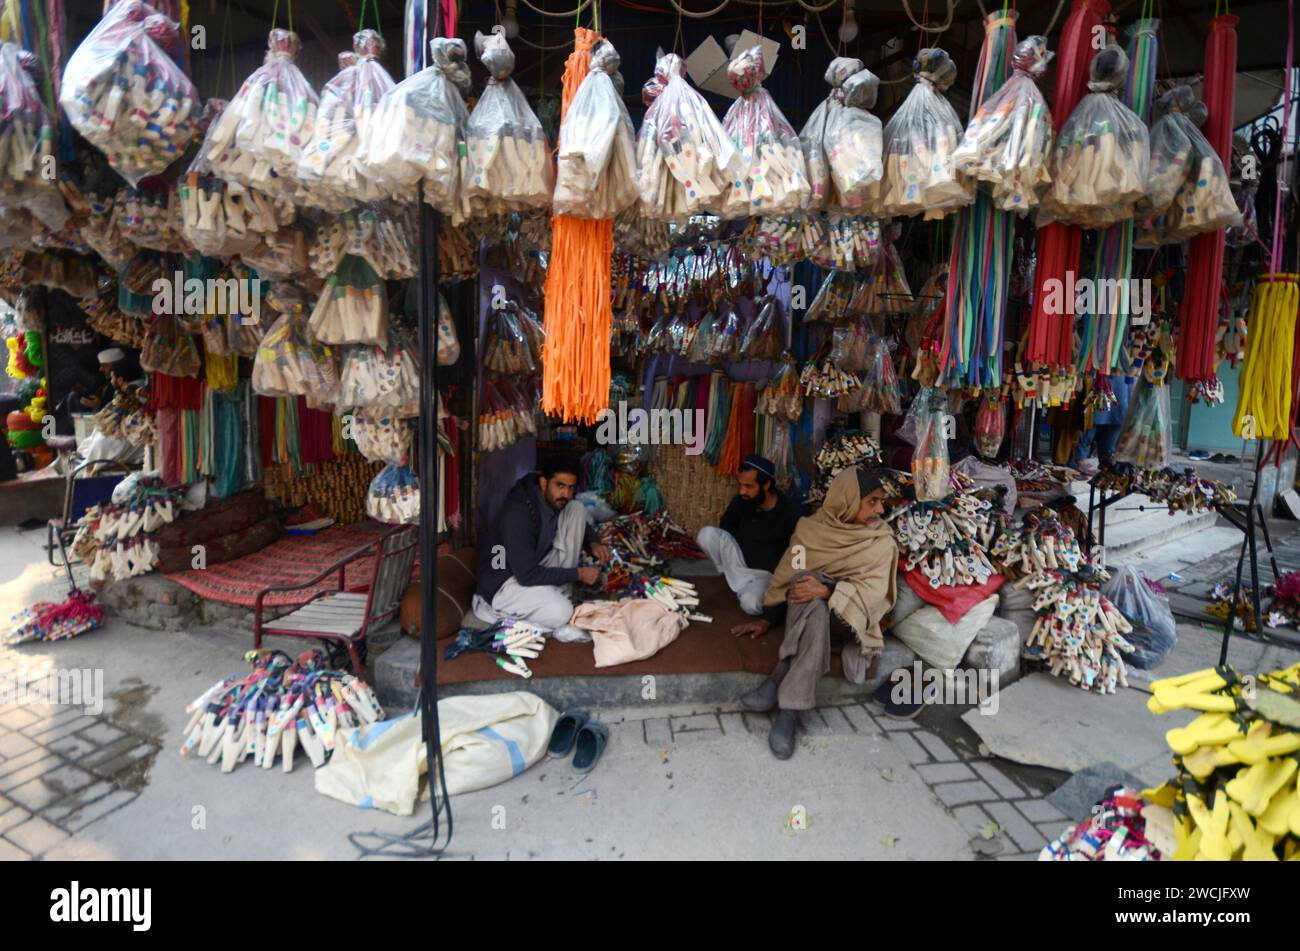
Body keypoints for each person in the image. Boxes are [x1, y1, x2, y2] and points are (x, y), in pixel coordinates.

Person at [732, 466, 898, 760]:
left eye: (880, 501)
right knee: (807, 590)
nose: (880, 509)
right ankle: (790, 711)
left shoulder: (881, 541)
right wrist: (768, 619)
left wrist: (831, 591)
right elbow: (788, 573)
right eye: (872, 501)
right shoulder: (811, 530)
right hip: (812, 615)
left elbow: (873, 596)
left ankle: (776, 680)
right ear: (847, 500)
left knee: (816, 595)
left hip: (850, 621)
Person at [473, 455, 612, 635]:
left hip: (533, 564)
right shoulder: (518, 514)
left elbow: (581, 525)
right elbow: (527, 576)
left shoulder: (552, 499)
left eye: (571, 488)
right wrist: (578, 574)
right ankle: (537, 604)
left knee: (576, 509)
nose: (566, 494)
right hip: (505, 584)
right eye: (560, 486)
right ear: (544, 483)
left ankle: (560, 591)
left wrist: (594, 542)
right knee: (561, 612)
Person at [696, 453, 803, 616]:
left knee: (751, 604)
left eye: (748, 486)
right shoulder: (741, 501)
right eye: (740, 485)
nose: (742, 491)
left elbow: (799, 552)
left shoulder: (790, 512)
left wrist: (784, 582)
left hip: (765, 575)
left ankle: (744, 588)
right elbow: (726, 528)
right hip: (738, 562)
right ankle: (734, 579)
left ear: (766, 484)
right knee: (706, 535)